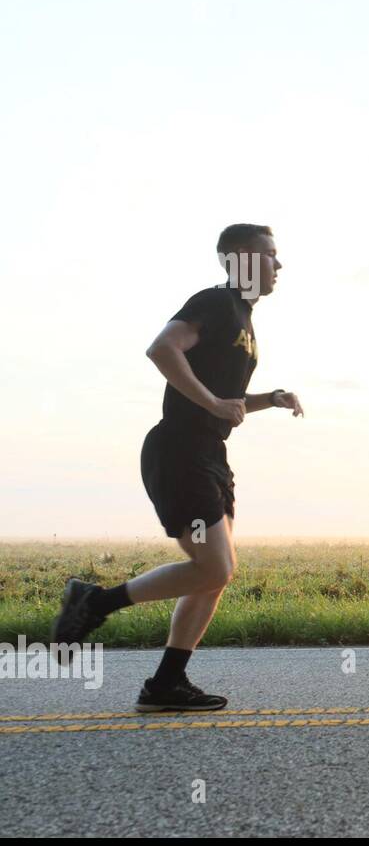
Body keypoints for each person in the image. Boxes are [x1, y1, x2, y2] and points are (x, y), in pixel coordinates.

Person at [52, 223, 303, 712]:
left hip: (209, 454)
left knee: (214, 575)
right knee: (214, 566)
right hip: (180, 452)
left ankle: (166, 684)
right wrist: (213, 402)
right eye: (270, 255)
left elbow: (224, 404)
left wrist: (267, 400)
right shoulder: (214, 302)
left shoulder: (242, 320)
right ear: (241, 259)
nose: (279, 265)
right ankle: (95, 602)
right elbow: (162, 350)